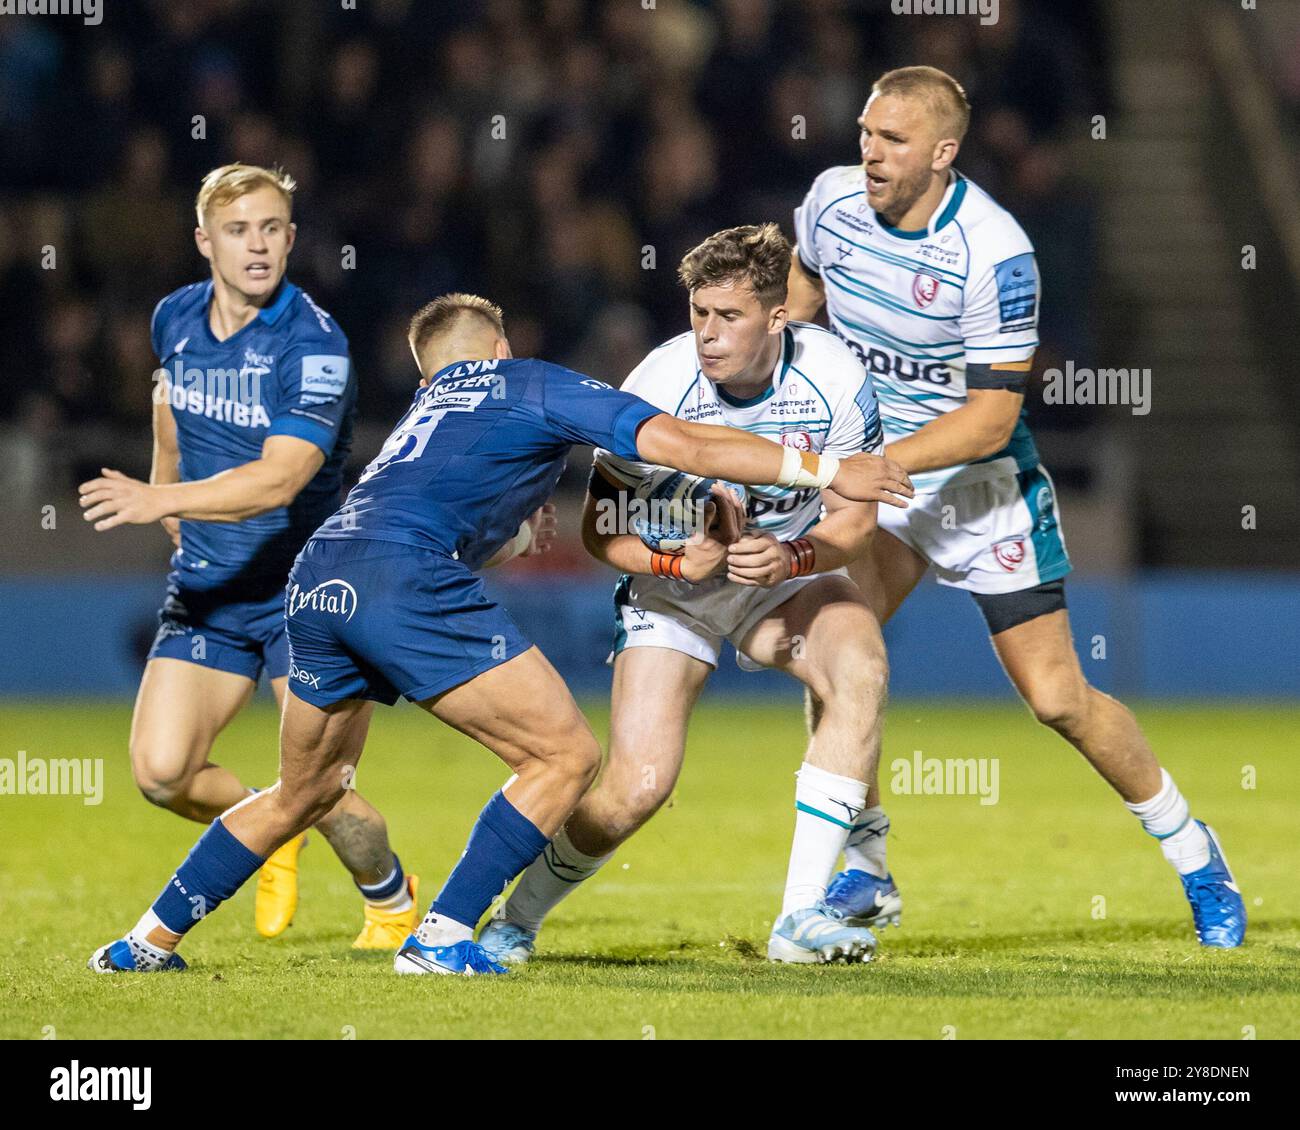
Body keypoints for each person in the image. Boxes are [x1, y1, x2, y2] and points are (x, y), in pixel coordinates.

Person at [86, 291, 914, 976]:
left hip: (318, 572)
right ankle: (443, 937)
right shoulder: (530, 382)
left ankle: (144, 941)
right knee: (564, 756)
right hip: (404, 580)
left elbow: (459, 508)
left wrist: (513, 537)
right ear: (501, 343)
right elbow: (687, 442)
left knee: (307, 789)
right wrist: (830, 470)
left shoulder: (423, 414)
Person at [786, 66, 1244, 947]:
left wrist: (867, 463)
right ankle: (865, 870)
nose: (871, 154)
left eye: (894, 141)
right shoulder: (832, 199)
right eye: (866, 136)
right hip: (874, 474)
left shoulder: (994, 251)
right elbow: (805, 294)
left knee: (1057, 698)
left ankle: (1196, 854)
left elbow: (992, 419)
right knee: (835, 652)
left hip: (974, 487)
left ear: (944, 153)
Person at [482, 223, 896, 965]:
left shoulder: (834, 374)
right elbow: (600, 534)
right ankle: (516, 917)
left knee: (860, 665)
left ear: (777, 318)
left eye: (728, 316)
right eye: (699, 313)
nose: (707, 334)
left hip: (782, 577)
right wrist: (681, 563)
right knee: (636, 786)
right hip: (672, 588)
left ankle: (800, 916)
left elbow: (857, 525)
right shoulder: (656, 384)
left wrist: (795, 552)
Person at [78, 163, 417, 951]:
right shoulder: (175, 318)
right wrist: (166, 478)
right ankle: (274, 825)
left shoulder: (315, 343)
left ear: (292, 239)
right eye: (239, 231)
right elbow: (169, 402)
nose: (258, 246)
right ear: (206, 241)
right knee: (162, 774)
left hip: (309, 598)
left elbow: (282, 477)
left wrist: (160, 501)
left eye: (272, 229)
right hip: (212, 587)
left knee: (323, 790)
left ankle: (390, 897)